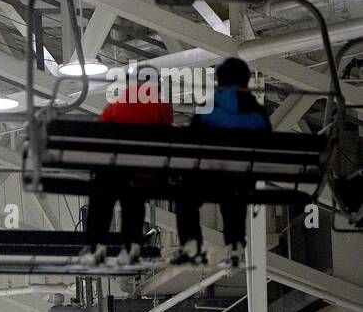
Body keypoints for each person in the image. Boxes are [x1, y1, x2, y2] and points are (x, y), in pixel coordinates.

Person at [173, 57, 272, 267]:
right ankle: (235, 245)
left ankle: (191, 246)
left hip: (210, 178)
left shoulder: (209, 106)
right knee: (233, 199)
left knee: (185, 200)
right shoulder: (257, 112)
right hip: (242, 182)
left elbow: (190, 143)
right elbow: (266, 146)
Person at [82, 83, 174, 266]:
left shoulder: (116, 107)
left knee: (101, 202)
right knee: (134, 204)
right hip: (143, 174)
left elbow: (100, 135)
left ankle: (96, 246)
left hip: (115, 173)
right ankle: (132, 246)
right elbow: (168, 133)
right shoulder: (160, 107)